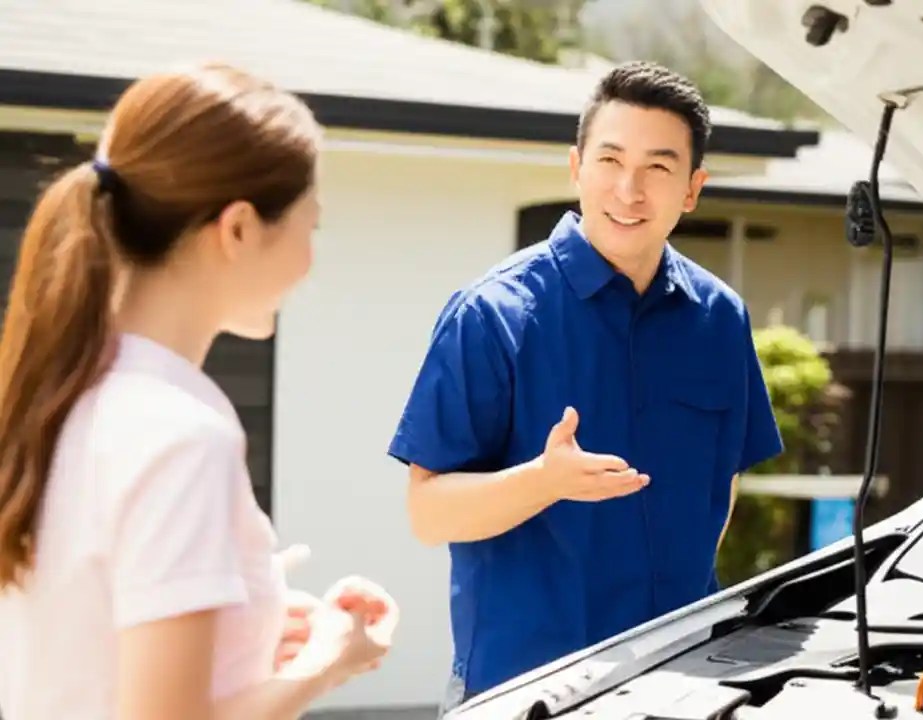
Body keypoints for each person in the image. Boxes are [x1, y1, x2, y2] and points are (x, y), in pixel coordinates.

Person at [0, 63, 398, 720]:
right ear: (240, 228)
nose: (311, 259)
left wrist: (248, 625)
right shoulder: (181, 433)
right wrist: (328, 660)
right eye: (311, 225)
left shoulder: (59, 394)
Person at [388, 60, 783, 711]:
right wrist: (544, 481)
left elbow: (722, 485)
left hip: (680, 686)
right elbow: (428, 514)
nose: (629, 190)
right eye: (609, 160)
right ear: (576, 167)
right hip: (524, 691)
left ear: (692, 188)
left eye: (658, 167)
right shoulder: (492, 314)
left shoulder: (720, 318)